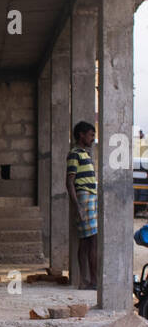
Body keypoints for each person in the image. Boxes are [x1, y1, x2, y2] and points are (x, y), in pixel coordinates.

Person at [66, 121, 97, 290]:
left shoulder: (86, 154)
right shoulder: (74, 154)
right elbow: (69, 182)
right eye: (91, 135)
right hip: (84, 198)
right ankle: (89, 281)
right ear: (81, 135)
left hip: (91, 198)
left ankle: (87, 280)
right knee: (90, 241)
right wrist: (77, 206)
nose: (93, 138)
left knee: (88, 242)